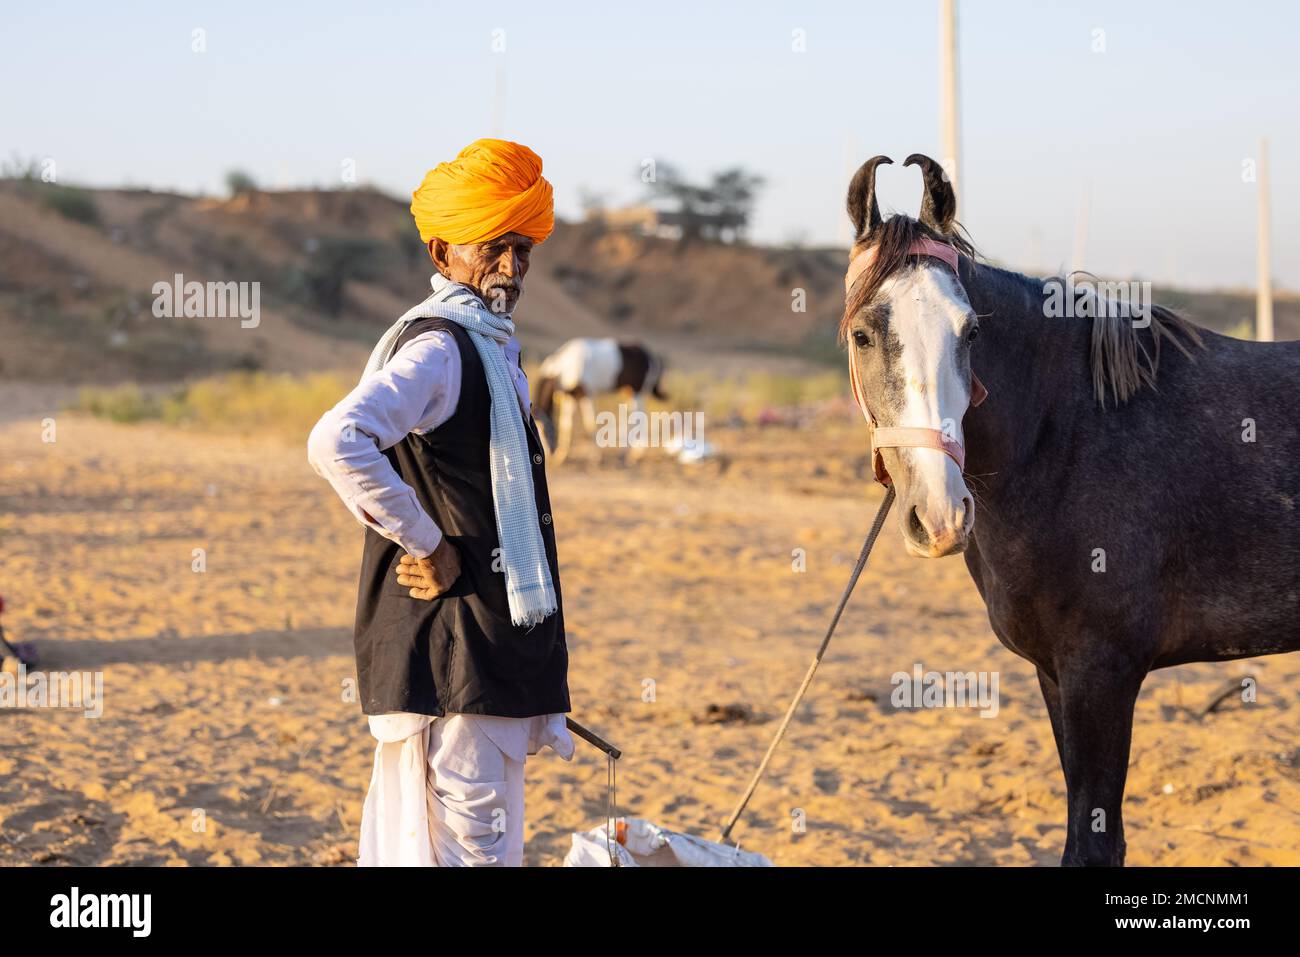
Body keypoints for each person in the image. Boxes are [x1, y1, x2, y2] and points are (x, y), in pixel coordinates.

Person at [308, 139, 573, 866]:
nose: (513, 266)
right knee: (471, 848)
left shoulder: (491, 347)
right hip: (454, 659)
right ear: (441, 246)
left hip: (484, 649)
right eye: (495, 244)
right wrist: (426, 540)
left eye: (523, 247)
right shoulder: (443, 348)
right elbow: (338, 440)